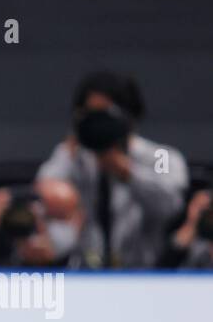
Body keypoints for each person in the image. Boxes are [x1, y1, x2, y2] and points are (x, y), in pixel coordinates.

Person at [36, 71, 188, 268]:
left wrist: (128, 173)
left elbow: (171, 207)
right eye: (91, 116)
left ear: (129, 117)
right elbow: (43, 196)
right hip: (83, 275)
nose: (99, 125)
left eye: (105, 116)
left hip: (146, 276)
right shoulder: (71, 157)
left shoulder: (160, 156)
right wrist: (72, 147)